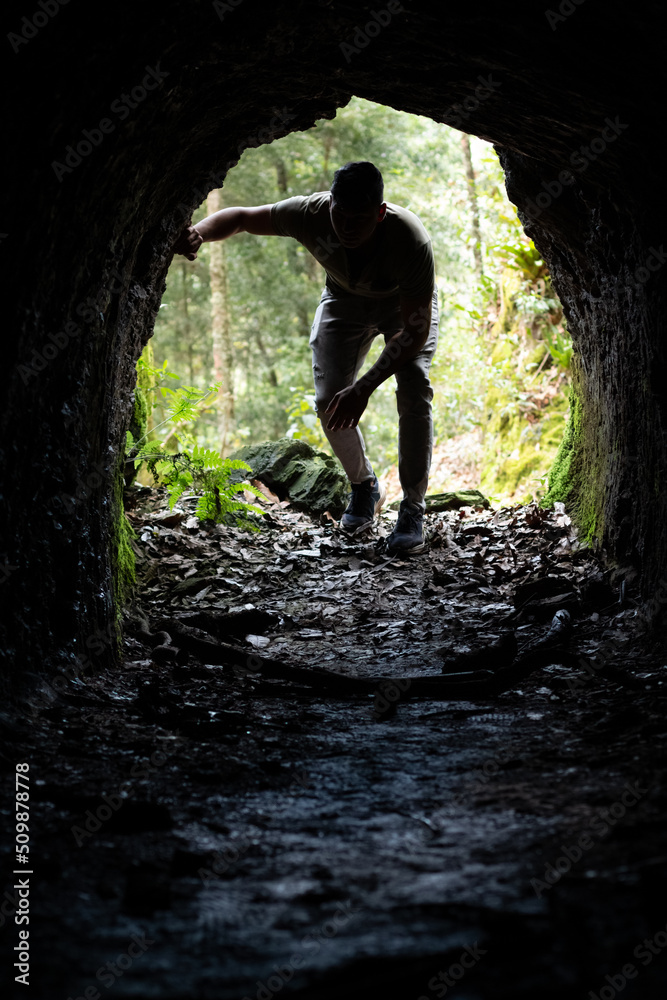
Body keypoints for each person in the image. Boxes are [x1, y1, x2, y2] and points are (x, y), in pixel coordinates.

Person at [173, 160, 438, 554]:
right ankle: (364, 486)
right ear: (329, 202)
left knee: (414, 387)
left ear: (380, 214)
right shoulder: (310, 213)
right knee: (329, 399)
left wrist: (364, 388)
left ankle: (412, 510)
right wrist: (198, 234)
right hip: (344, 302)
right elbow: (243, 217)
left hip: (403, 308)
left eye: (360, 218)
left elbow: (414, 332)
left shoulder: (409, 238)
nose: (346, 226)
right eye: (340, 213)